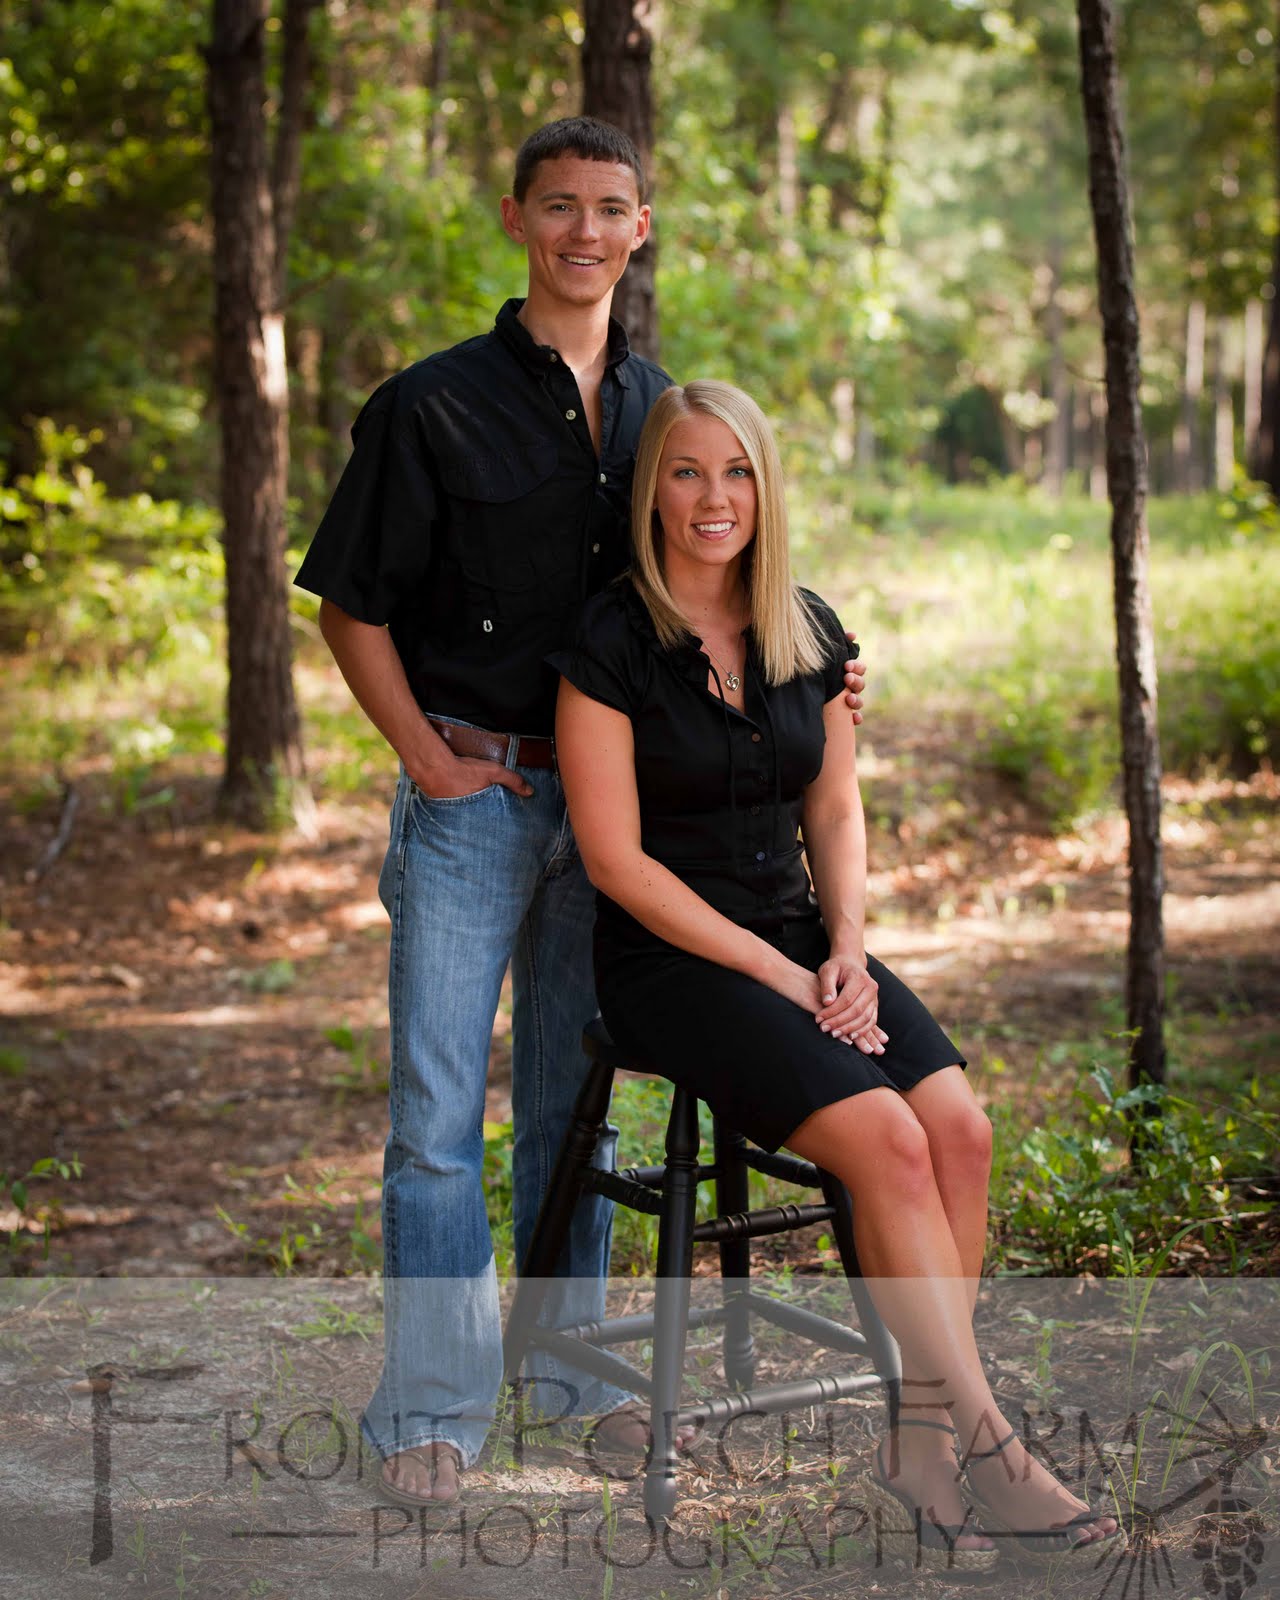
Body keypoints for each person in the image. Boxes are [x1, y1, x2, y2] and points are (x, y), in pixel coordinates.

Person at [294, 118, 869, 1510]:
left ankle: (573, 1383)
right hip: (478, 801)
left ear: (640, 228)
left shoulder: (666, 415)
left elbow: (719, 579)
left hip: (627, 825)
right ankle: (432, 1411)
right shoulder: (431, 405)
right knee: (437, 1115)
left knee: (574, 1106)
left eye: (610, 207)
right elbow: (348, 607)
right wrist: (427, 760)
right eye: (558, 205)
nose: (584, 232)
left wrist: (819, 668)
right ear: (516, 219)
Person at [552, 380, 1121, 1567]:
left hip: (806, 937)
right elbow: (613, 861)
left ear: (766, 488)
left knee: (957, 1128)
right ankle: (988, 1442)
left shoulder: (804, 628)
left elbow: (835, 805)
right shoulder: (609, 641)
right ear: (651, 489)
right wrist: (782, 971)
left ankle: (918, 1440)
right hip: (673, 960)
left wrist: (846, 947)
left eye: (737, 472)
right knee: (888, 1141)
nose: (713, 498)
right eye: (685, 471)